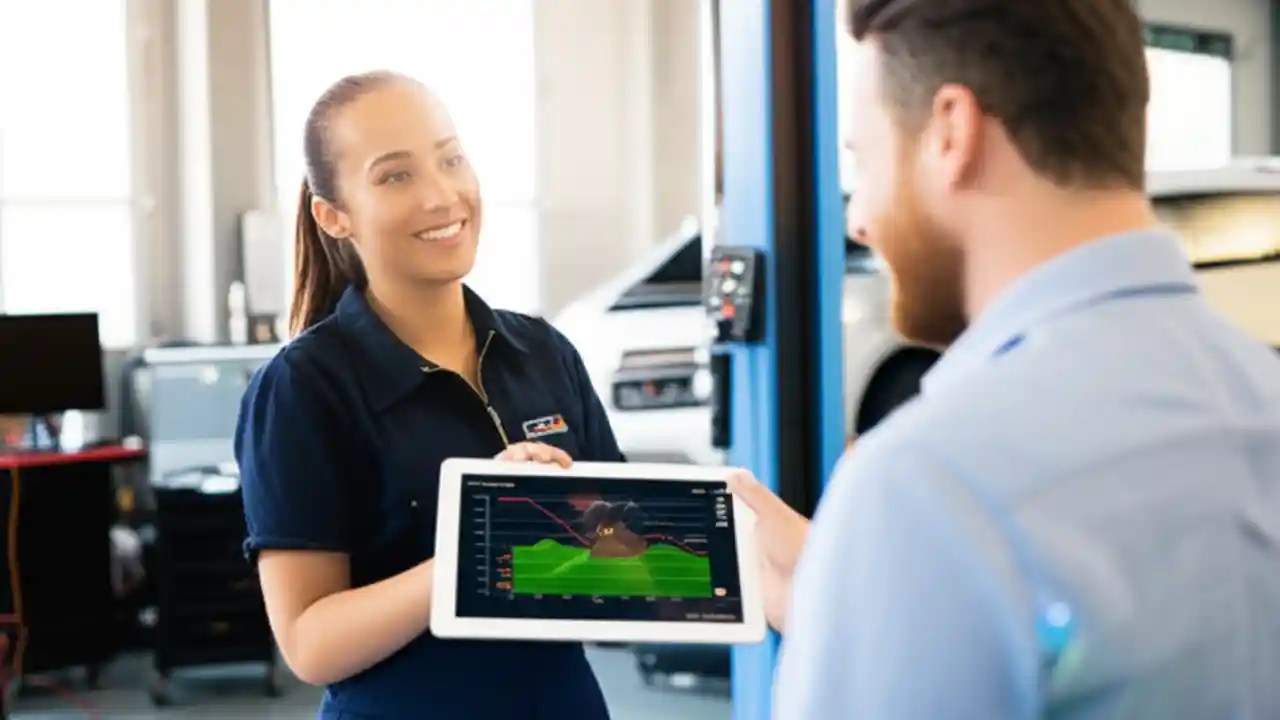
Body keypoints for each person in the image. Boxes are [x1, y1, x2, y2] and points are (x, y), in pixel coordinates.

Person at [730, 1, 1280, 718]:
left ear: (951, 132)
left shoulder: (928, 485)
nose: (858, 218)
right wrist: (857, 604)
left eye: (863, 160)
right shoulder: (1258, 399)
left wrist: (868, 585)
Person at [234, 71, 623, 719]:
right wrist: (475, 548)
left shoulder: (544, 352)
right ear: (334, 215)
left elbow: (623, 569)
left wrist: (573, 517)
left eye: (451, 159)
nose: (442, 195)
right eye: (395, 176)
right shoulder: (303, 389)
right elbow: (309, 643)